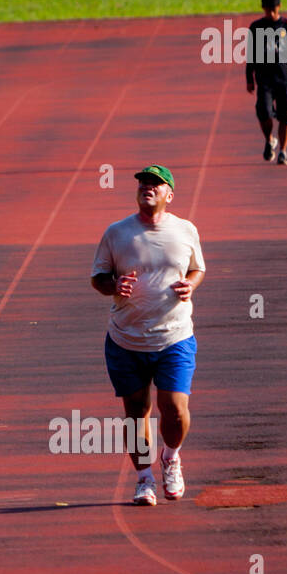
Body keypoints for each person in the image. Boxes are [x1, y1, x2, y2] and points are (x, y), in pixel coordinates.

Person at [90, 166, 206, 505]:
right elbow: (98, 278)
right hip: (126, 338)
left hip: (175, 336)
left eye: (156, 183)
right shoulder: (117, 233)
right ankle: (144, 480)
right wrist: (114, 285)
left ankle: (171, 456)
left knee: (174, 408)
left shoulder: (185, 230)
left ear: (170, 194)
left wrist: (191, 284)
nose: (147, 187)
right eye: (143, 183)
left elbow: (198, 268)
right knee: (136, 411)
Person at [246, 0, 287, 164]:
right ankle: (270, 139)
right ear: (263, 8)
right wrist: (249, 78)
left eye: (273, 9)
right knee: (263, 112)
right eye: (267, 9)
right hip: (265, 79)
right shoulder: (255, 27)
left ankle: (283, 152)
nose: (270, 13)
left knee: (285, 117)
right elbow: (251, 55)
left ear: (279, 7)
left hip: (284, 79)